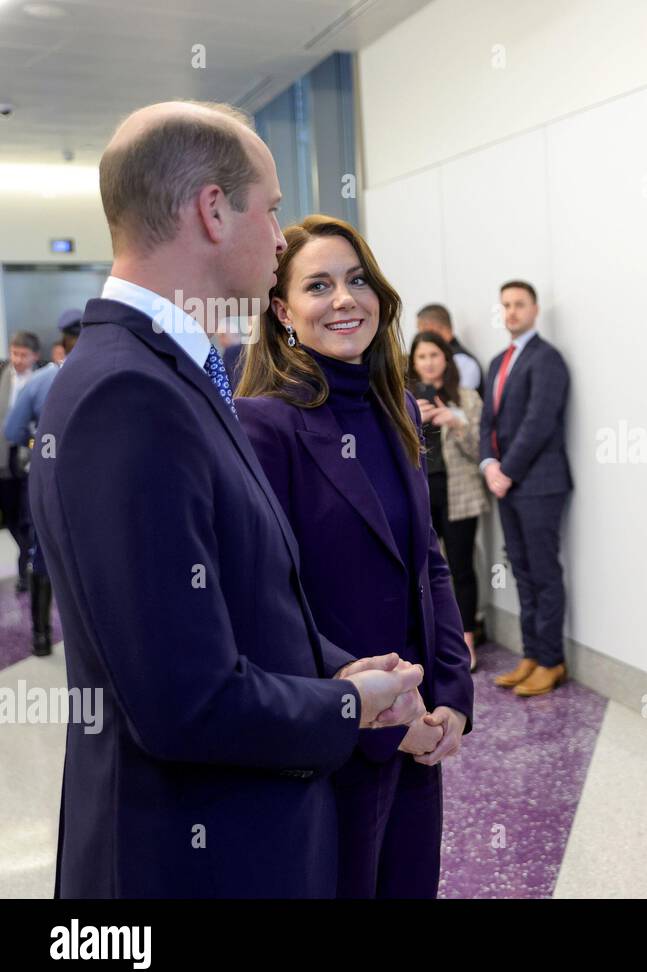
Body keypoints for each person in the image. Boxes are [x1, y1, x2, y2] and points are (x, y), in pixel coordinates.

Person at [28, 100, 425, 898]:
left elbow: (243, 602)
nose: (281, 238)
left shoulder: (171, 373)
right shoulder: (126, 394)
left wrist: (337, 664)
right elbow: (186, 701)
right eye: (271, 209)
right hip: (189, 858)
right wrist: (346, 705)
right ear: (214, 209)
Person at [236, 214, 474, 898]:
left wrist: (451, 698)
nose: (344, 299)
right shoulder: (264, 423)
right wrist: (375, 710)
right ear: (283, 310)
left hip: (419, 732)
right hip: (332, 737)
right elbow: (268, 599)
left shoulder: (393, 403)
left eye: (357, 279)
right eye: (318, 285)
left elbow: (427, 558)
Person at [480, 280, 573, 697]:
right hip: (508, 483)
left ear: (535, 310)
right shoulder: (499, 361)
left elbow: (539, 423)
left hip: (540, 484)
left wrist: (507, 471)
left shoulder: (547, 360)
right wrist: (488, 464)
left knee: (543, 573)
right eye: (506, 305)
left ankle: (552, 662)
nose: (511, 312)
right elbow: (488, 421)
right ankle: (532, 655)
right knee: (521, 571)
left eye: (519, 304)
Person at [5, 313, 85, 656]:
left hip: (49, 480)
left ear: (61, 341)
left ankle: (40, 637)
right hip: (95, 487)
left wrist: (37, 444)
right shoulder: (114, 373)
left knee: (41, 555)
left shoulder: (42, 382)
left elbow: (12, 431)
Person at [409, 330, 488, 672]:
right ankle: (431, 639)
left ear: (446, 359)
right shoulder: (404, 399)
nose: (429, 363)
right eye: (422, 357)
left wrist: (455, 422)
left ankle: (467, 640)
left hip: (460, 495)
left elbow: (480, 450)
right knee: (423, 570)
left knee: (461, 568)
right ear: (413, 362)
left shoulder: (468, 397)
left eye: (435, 355)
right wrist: (415, 421)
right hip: (419, 495)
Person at [0, 331, 40, 591]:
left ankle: (27, 566)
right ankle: (27, 554)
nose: (18, 359)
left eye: (23, 355)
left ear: (35, 356)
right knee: (11, 516)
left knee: (27, 517)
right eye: (15, 353)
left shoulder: (41, 382)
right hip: (4, 456)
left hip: (28, 456)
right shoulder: (3, 375)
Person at [418, 303, 484, 398]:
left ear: (431, 328)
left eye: (421, 332)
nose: (428, 363)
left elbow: (461, 405)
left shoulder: (462, 362)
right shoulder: (458, 359)